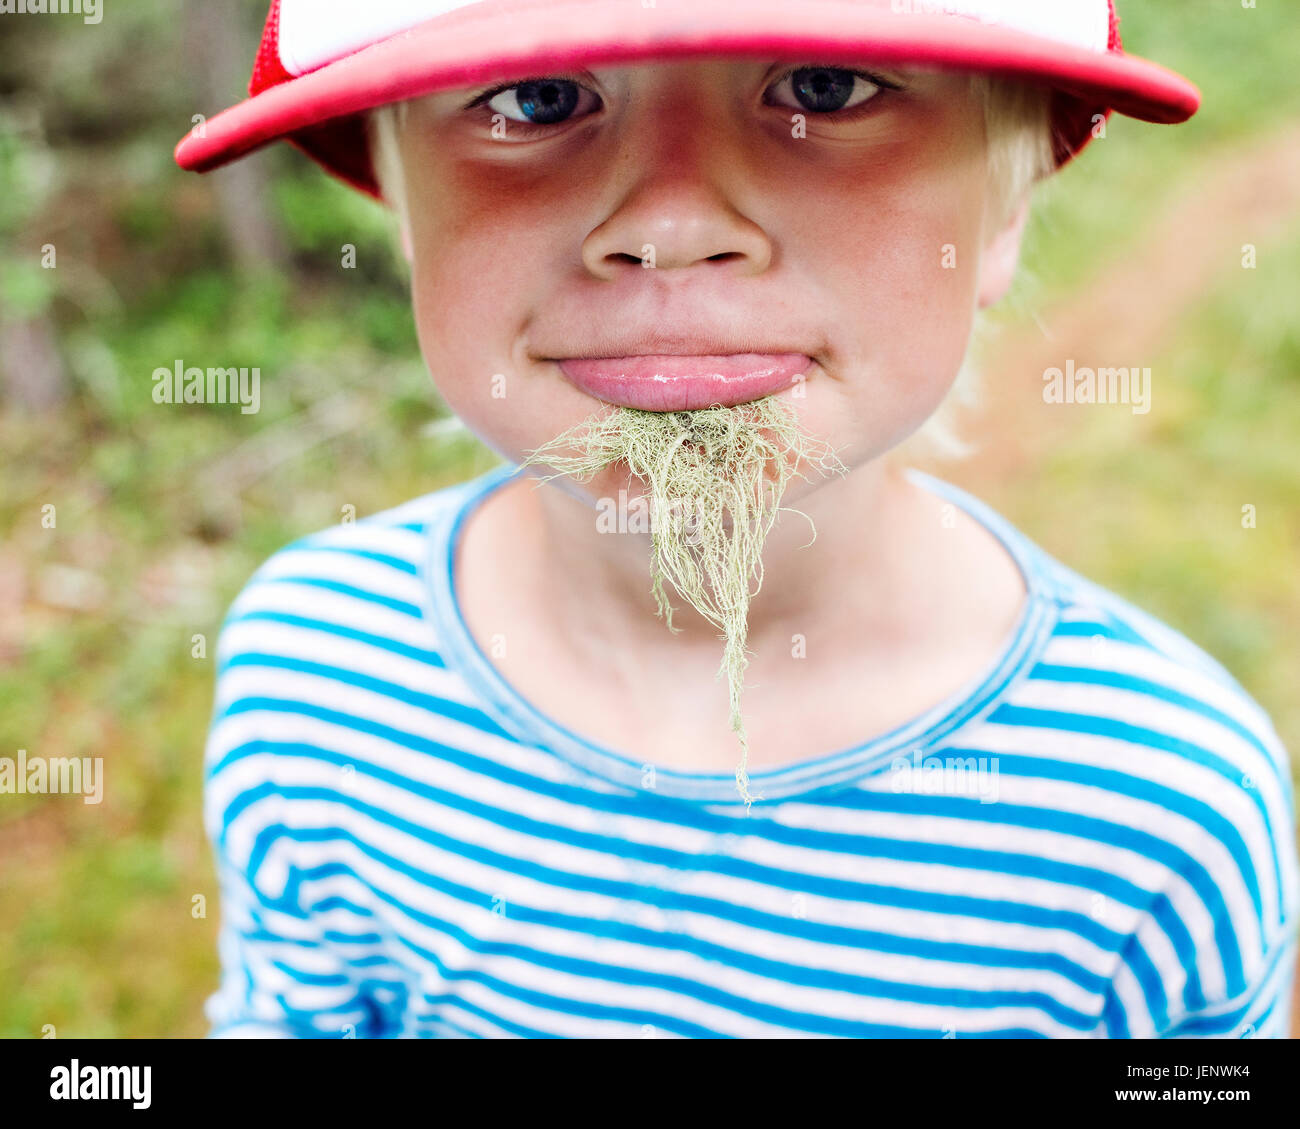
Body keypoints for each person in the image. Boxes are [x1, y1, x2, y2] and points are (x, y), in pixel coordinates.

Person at [177, 0, 1298, 1038]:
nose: (667, 225)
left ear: (999, 217)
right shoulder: (314, 668)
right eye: (537, 101)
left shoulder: (1158, 811)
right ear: (405, 207)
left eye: (824, 88)